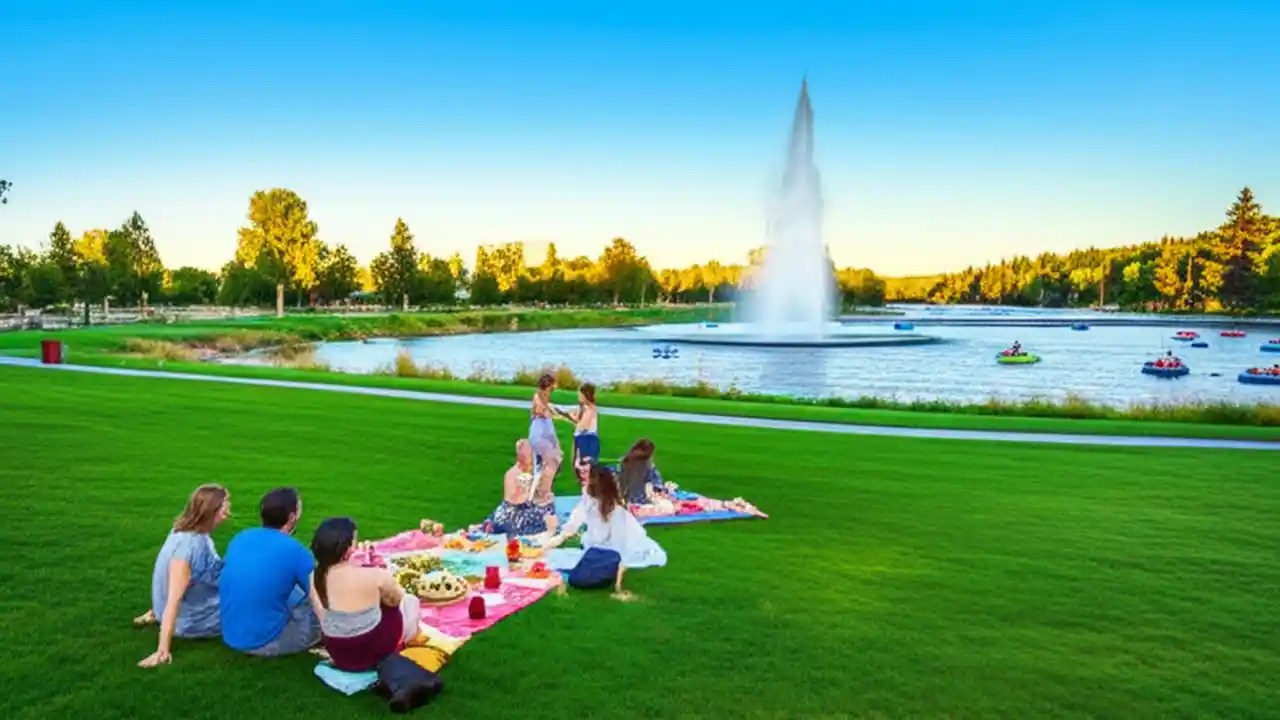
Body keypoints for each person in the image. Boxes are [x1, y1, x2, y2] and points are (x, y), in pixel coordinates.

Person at [219, 488, 324, 657]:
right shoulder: (294, 550)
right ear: (291, 518)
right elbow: (320, 596)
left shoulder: (242, 537)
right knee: (322, 600)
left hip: (230, 633)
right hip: (267, 642)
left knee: (282, 586)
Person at [136, 484, 231, 668]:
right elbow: (174, 599)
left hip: (184, 606)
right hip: (190, 621)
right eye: (225, 509)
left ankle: (156, 613)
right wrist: (162, 650)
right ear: (210, 511)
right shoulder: (189, 549)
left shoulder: (182, 530)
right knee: (248, 604)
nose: (227, 514)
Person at [311, 517, 422, 672]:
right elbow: (395, 600)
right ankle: (413, 637)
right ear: (348, 548)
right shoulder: (375, 575)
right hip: (372, 653)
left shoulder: (314, 576)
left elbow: (323, 617)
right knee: (409, 601)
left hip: (338, 651)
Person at [548, 463, 666, 600]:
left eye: (590, 477)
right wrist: (562, 536)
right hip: (598, 542)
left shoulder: (616, 513)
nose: (586, 479)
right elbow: (578, 515)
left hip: (614, 544)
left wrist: (618, 587)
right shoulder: (588, 496)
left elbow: (622, 547)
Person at [487, 439, 554, 536]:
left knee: (547, 504)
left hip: (517, 510)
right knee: (545, 510)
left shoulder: (526, 473)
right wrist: (532, 496)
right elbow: (514, 501)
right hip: (512, 515)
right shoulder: (514, 474)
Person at [528, 373, 562, 510]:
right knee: (542, 464)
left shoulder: (545, 397)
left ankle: (544, 491)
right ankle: (535, 496)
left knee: (551, 462)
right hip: (540, 432)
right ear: (549, 384)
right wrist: (548, 412)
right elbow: (539, 411)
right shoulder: (538, 396)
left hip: (546, 431)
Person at [559, 382, 599, 466]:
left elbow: (581, 425)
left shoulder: (591, 409)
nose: (579, 397)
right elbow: (577, 420)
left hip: (587, 439)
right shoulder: (582, 408)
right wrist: (565, 414)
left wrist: (568, 416)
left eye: (580, 395)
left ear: (586, 395)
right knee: (575, 464)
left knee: (584, 466)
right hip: (578, 437)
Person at [617, 438, 665, 506]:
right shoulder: (647, 464)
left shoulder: (627, 460)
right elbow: (656, 479)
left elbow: (655, 479)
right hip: (635, 496)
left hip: (630, 495)